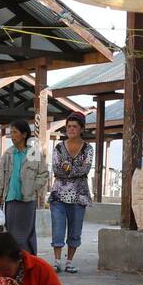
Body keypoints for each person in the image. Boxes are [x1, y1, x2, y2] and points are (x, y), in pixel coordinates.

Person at [0, 119, 48, 255]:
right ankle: (15, 258)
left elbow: (43, 174)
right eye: (10, 132)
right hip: (10, 198)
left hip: (27, 199)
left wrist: (33, 188)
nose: (12, 135)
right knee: (11, 232)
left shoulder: (33, 153)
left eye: (15, 132)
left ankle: (28, 258)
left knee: (26, 232)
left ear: (24, 134)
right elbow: (1, 177)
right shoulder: (8, 154)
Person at [49, 112, 93, 274]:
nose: (71, 129)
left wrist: (66, 168)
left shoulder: (88, 148)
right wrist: (73, 170)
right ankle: (56, 261)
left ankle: (69, 262)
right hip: (58, 195)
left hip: (79, 196)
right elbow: (56, 169)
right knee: (58, 228)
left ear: (81, 128)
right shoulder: (59, 147)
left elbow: (86, 169)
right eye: (69, 126)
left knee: (75, 230)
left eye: (75, 126)